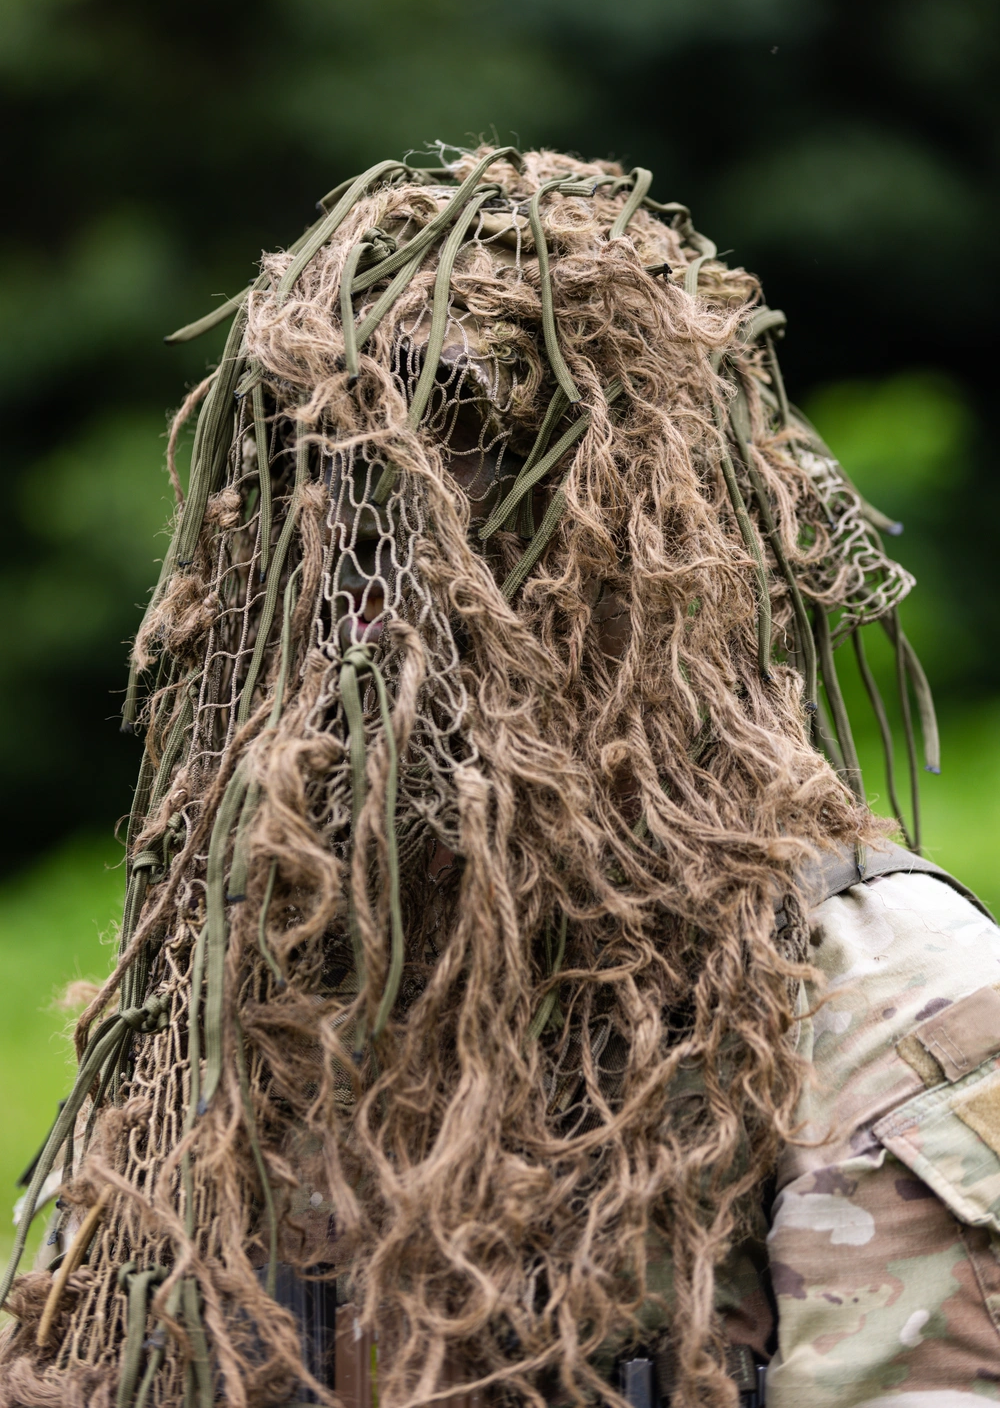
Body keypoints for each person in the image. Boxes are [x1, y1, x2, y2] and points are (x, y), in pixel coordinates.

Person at [1, 146, 994, 1408]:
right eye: (316, 479)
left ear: (651, 543)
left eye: (480, 463)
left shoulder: (887, 1007)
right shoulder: (213, 1024)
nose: (369, 567)